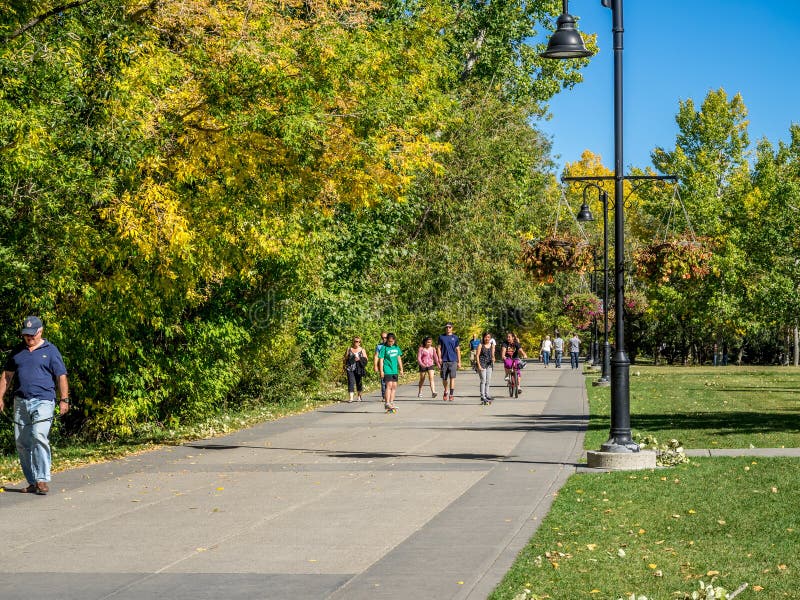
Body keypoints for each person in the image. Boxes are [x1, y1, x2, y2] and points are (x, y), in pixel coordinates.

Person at [0, 316, 69, 495]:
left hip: (44, 400)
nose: (29, 338)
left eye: (32, 335)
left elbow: (61, 376)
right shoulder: (17, 351)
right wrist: (0, 397)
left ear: (40, 331)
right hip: (21, 401)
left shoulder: (51, 350)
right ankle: (32, 481)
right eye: (26, 335)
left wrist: (64, 399)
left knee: (39, 435)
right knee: (22, 443)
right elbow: (7, 376)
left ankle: (42, 479)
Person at [379, 333, 404, 412]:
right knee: (389, 385)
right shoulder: (384, 348)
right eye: (389, 341)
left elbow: (399, 358)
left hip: (394, 370)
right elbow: (381, 360)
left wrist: (401, 369)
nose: (391, 343)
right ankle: (387, 403)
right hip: (387, 369)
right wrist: (381, 371)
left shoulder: (396, 347)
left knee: (394, 386)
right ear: (387, 340)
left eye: (392, 341)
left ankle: (391, 402)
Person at [437, 322, 461, 402]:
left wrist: (459, 361)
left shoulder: (455, 337)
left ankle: (451, 394)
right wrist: (439, 358)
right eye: (447, 327)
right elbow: (438, 348)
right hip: (444, 360)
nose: (448, 328)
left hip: (453, 360)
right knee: (444, 378)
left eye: (449, 327)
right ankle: (446, 390)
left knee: (452, 378)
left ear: (452, 328)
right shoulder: (441, 337)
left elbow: (457, 350)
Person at [343, 336, 368, 402]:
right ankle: (351, 397)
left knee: (359, 382)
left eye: (358, 342)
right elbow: (345, 358)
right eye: (355, 341)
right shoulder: (349, 349)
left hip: (358, 368)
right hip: (350, 368)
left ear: (360, 343)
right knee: (351, 382)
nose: (357, 343)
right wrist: (344, 365)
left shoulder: (362, 350)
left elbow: (366, 359)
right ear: (353, 342)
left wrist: (360, 359)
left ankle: (359, 396)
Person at [475, 332, 495, 404]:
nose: (487, 338)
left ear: (490, 338)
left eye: (488, 337)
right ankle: (482, 396)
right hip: (482, 363)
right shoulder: (480, 345)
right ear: (483, 337)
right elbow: (477, 355)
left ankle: (487, 395)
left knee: (488, 381)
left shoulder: (492, 345)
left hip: (489, 364)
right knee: (483, 380)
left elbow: (493, 355)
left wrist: (493, 358)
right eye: (486, 337)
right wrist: (479, 366)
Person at [373, 332, 388, 401]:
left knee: (390, 382)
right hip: (382, 366)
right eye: (382, 337)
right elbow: (376, 356)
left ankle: (389, 395)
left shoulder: (391, 345)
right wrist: (375, 365)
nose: (384, 339)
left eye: (385, 337)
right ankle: (384, 396)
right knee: (383, 382)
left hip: (390, 366)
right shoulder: (379, 346)